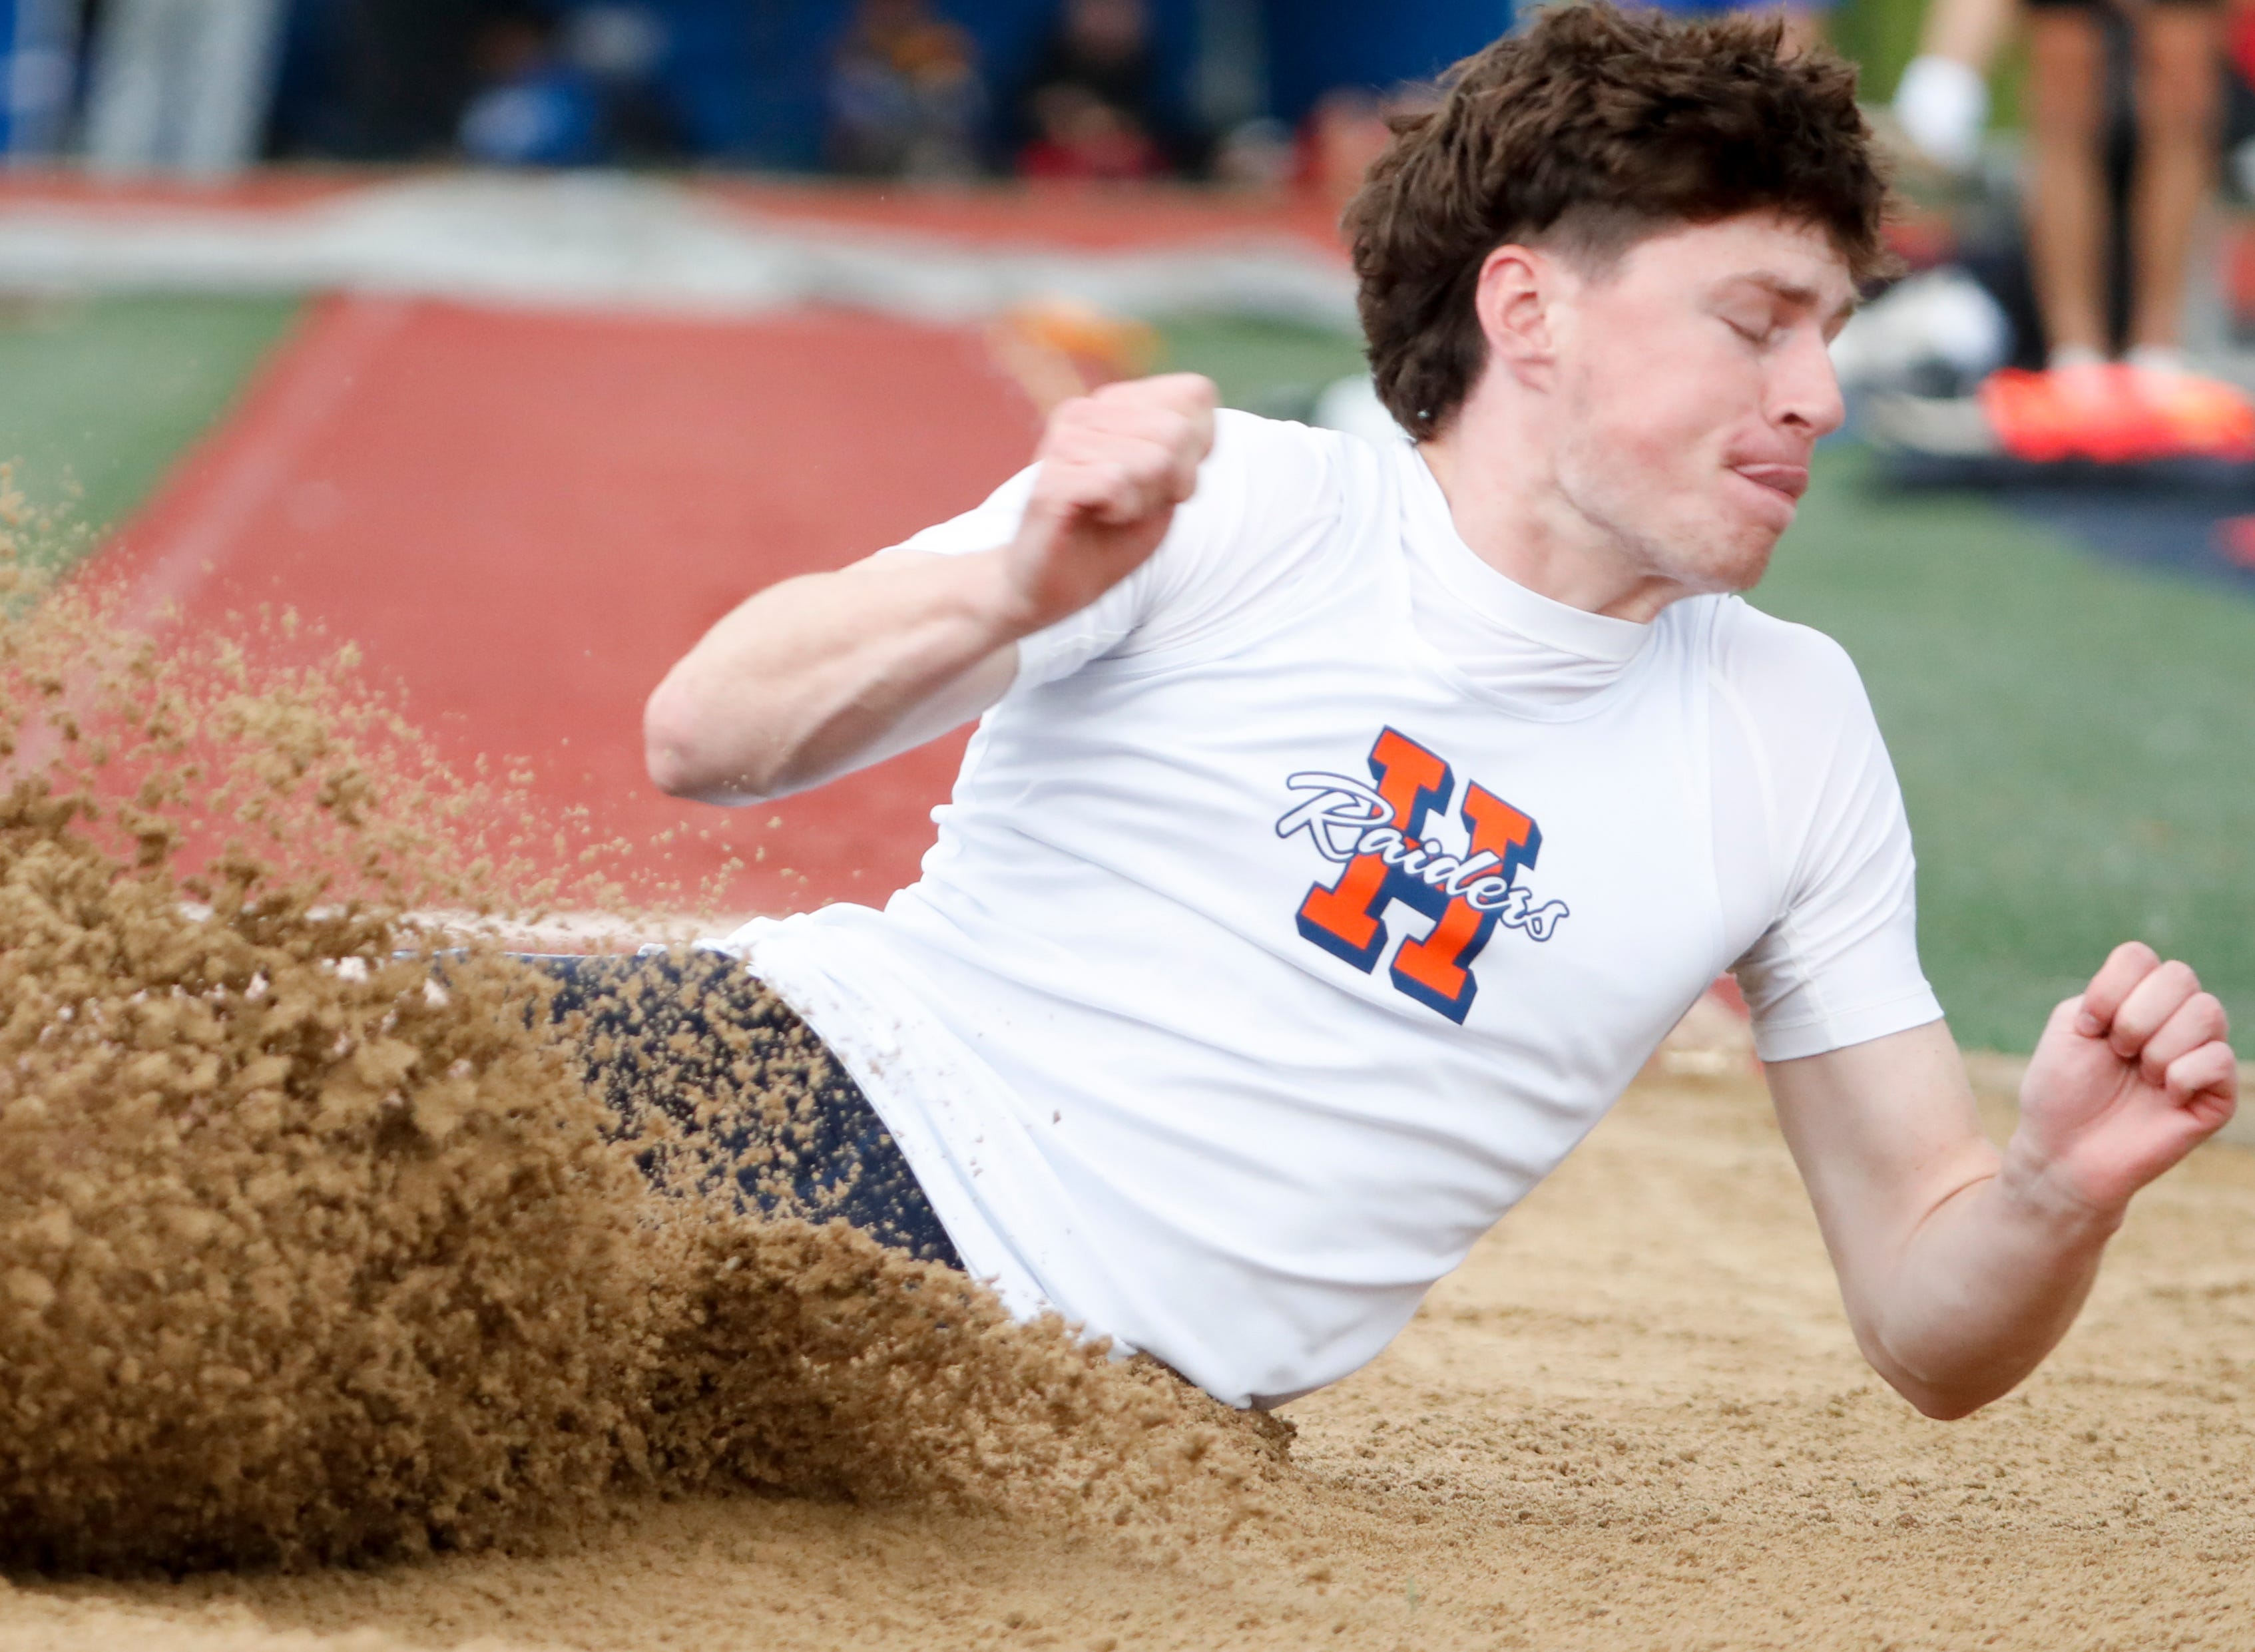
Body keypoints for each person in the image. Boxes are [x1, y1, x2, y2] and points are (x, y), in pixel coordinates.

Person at [634, 3, 2237, 1416]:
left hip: (1046, 1404)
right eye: (1755, 324)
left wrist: (2043, 1189)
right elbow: (704, 736)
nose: (1817, 393)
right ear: (1526, 310)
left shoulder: (1787, 727)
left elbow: (1923, 1323)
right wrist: (1009, 592)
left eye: (1827, 332)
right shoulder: (1246, 501)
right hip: (789, 1097)